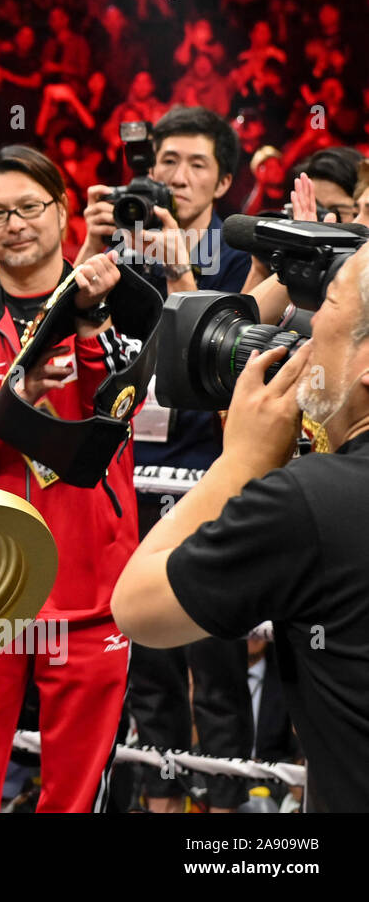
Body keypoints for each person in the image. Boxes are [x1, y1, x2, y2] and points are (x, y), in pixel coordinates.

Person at [0, 144, 140, 813]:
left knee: (74, 795)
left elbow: (118, 411)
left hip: (93, 591)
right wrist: (20, 393)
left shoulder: (119, 310)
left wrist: (90, 323)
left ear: (62, 211)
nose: (16, 225)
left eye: (31, 207)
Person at [111, 243, 369, 812]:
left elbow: (137, 607)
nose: (301, 337)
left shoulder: (312, 502)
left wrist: (240, 464)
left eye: (323, 310)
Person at [77, 105, 254, 812]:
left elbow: (231, 379)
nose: (176, 178)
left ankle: (225, 814)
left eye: (196, 165)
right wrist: (88, 255)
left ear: (224, 182)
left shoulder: (242, 259)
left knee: (214, 661)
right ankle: (155, 800)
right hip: (132, 481)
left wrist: (182, 270)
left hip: (210, 482)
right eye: (166, 162)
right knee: (144, 656)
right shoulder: (121, 248)